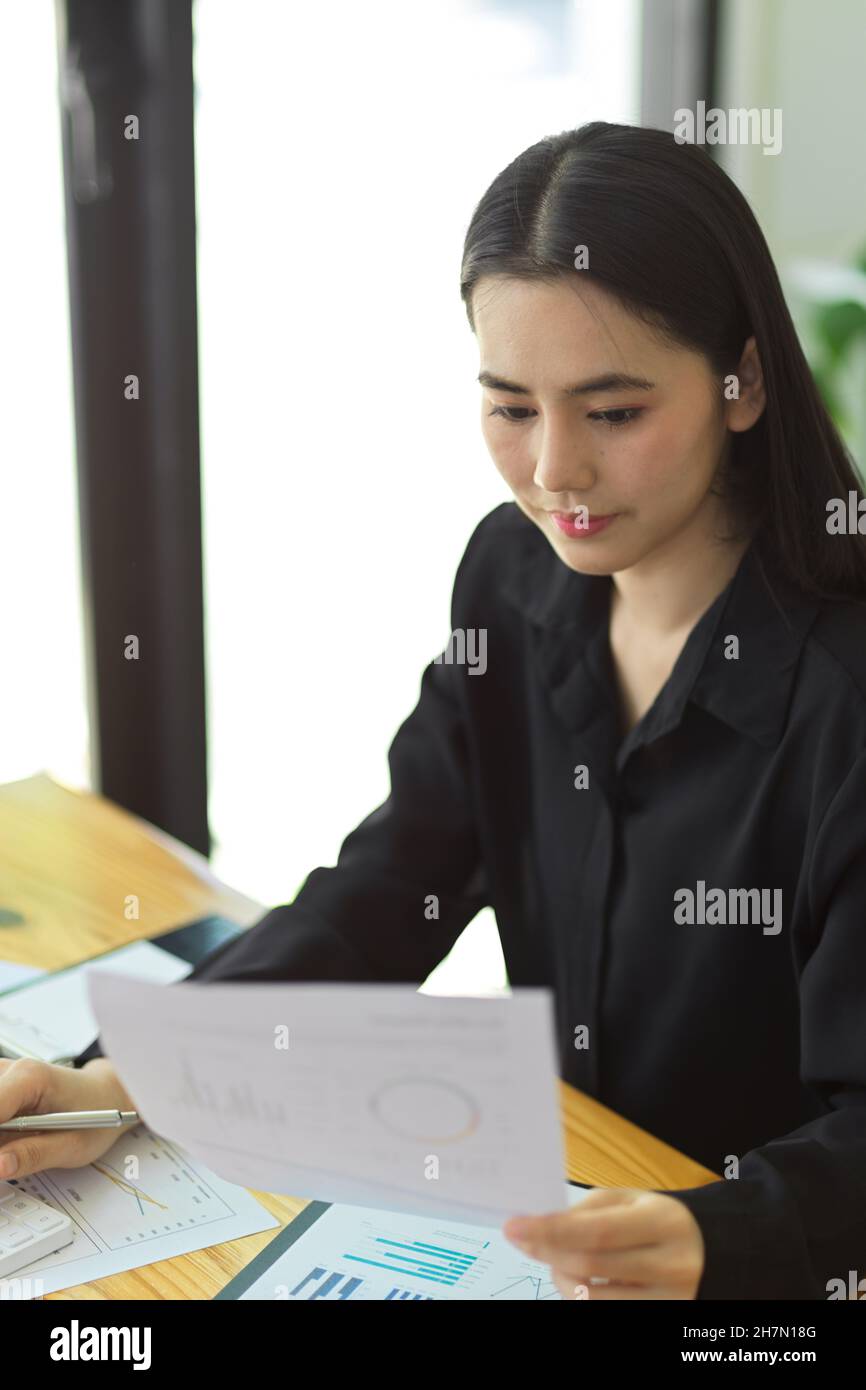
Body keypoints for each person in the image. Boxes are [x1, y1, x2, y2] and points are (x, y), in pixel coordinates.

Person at [2, 121, 865, 1300]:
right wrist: (127, 1073)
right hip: (558, 1212)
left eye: (611, 412)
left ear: (743, 381)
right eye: (511, 407)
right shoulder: (513, 579)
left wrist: (724, 1237)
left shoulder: (843, 691)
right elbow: (388, 892)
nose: (554, 469)